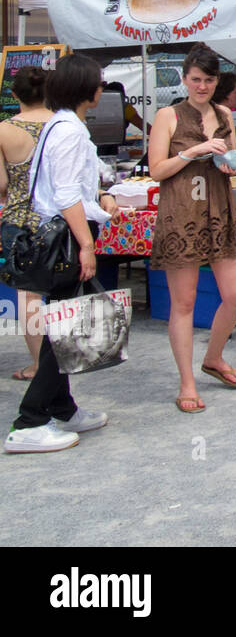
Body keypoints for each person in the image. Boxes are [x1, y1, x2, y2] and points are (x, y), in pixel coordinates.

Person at [5, 54, 116, 454]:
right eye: (98, 83)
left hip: (59, 233)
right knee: (63, 330)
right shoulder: (68, 130)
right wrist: (87, 243)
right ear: (87, 89)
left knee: (63, 325)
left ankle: (62, 408)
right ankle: (29, 421)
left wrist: (100, 199)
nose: (101, 89)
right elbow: (67, 193)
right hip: (67, 236)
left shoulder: (61, 125)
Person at [148, 43, 236, 413]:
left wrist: (228, 163)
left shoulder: (224, 113)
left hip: (220, 210)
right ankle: (187, 383)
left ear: (216, 80)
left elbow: (235, 160)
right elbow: (156, 169)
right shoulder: (168, 115)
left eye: (208, 80)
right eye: (195, 80)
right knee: (185, 302)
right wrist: (192, 152)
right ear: (184, 78)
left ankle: (214, 357)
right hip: (182, 212)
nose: (201, 86)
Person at [0, 67, 54, 381]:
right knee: (63, 291)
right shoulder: (64, 126)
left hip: (22, 220)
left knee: (28, 295)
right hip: (61, 219)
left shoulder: (5, 130)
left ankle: (38, 364)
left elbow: (2, 184)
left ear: (15, 95)